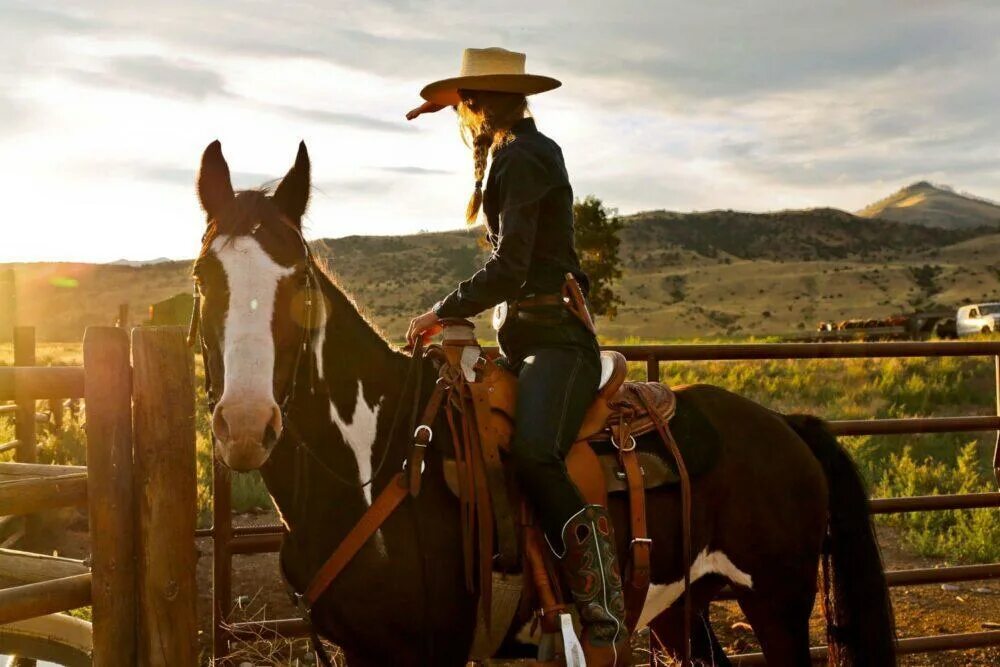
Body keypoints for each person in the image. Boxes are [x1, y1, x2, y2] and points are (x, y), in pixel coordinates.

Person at [405, 47, 628, 666]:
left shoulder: (526, 157)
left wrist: (442, 311)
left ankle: (602, 602)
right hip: (525, 343)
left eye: (465, 106)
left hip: (558, 341)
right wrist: (451, 99)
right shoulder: (515, 148)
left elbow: (513, 266)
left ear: (481, 105)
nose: (460, 121)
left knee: (534, 452)